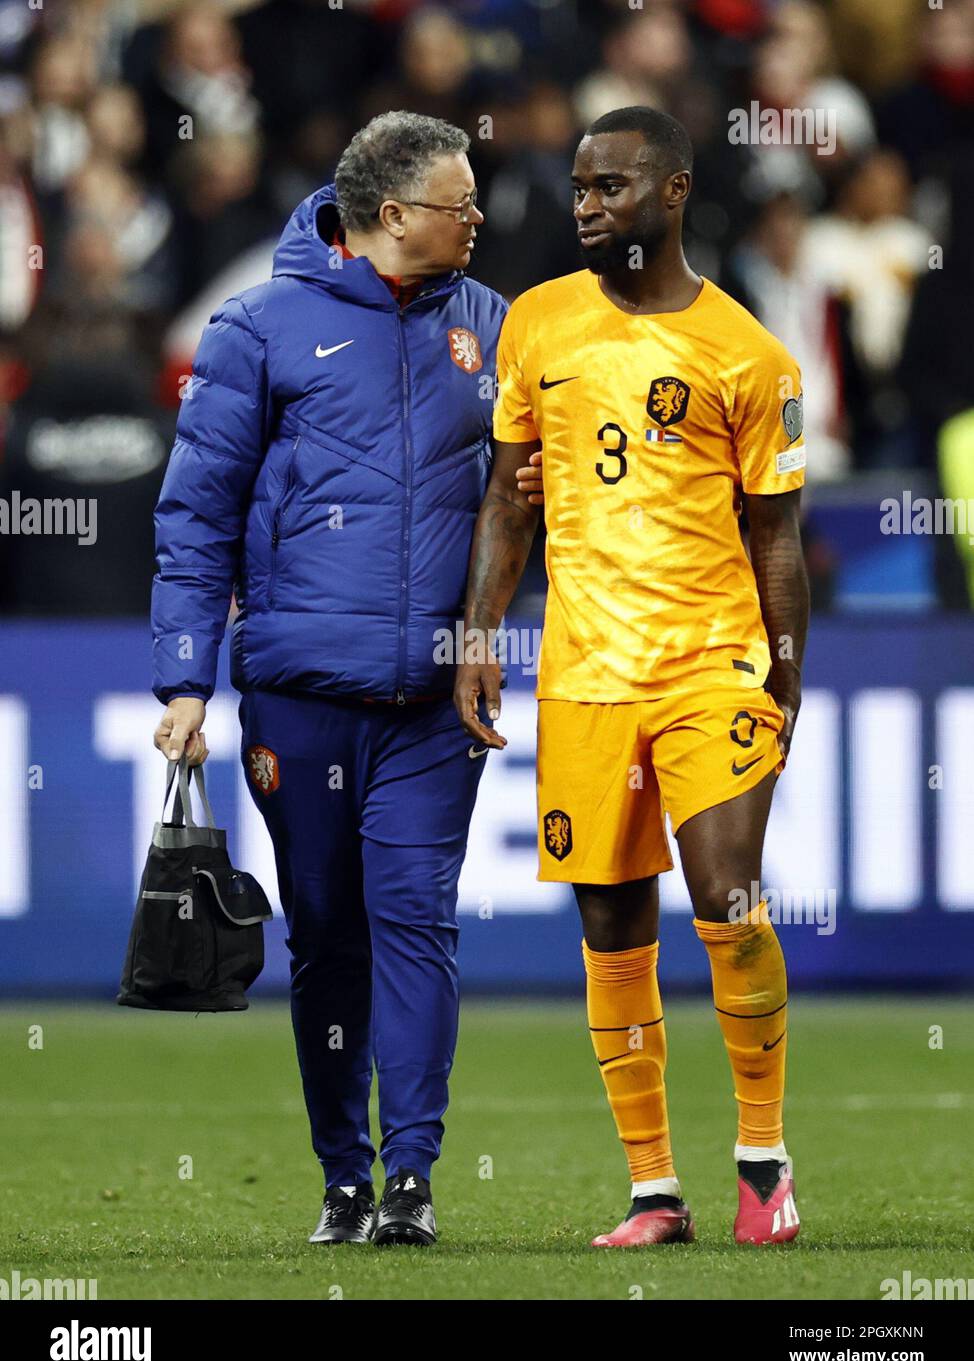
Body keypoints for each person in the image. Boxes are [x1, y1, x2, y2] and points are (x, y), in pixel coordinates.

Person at [150, 111, 541, 1247]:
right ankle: (342, 1176)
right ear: (387, 217)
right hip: (298, 695)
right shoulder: (255, 328)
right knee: (326, 932)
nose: (475, 221)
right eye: (456, 205)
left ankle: (410, 1175)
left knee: (415, 919)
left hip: (432, 701)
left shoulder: (494, 329)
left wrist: (486, 634)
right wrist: (185, 679)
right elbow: (196, 512)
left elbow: (526, 499)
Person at [455, 106, 810, 1248]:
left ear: (672, 193)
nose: (586, 202)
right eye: (576, 185)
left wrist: (784, 676)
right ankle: (655, 1192)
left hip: (712, 664)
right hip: (583, 674)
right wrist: (476, 634)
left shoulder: (748, 353)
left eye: (608, 184)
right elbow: (507, 496)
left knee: (727, 899)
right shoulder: (537, 324)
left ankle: (762, 1163)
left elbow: (777, 535)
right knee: (611, 934)